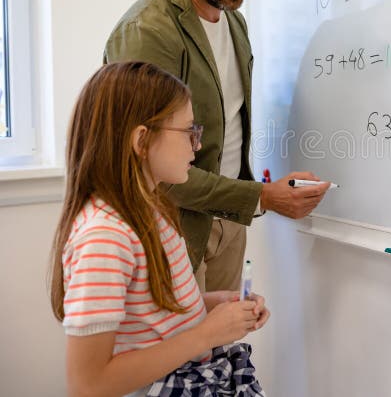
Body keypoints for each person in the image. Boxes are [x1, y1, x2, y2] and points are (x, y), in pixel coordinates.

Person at [104, 0, 330, 292]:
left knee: (221, 351)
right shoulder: (148, 33)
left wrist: (249, 199)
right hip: (165, 229)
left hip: (226, 221)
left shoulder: (235, 22)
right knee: (181, 354)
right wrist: (262, 196)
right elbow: (151, 167)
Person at [48, 61, 270, 396]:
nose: (196, 146)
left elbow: (148, 314)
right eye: (188, 132)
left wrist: (210, 305)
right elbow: (88, 385)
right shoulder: (104, 237)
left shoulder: (148, 211)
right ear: (141, 140)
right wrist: (206, 334)